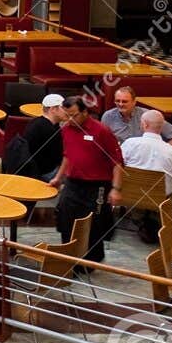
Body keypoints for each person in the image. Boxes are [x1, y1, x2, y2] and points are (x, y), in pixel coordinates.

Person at [51, 95, 124, 265]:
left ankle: (91, 260)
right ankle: (68, 256)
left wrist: (116, 189)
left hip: (97, 185)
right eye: (66, 115)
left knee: (93, 223)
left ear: (85, 112)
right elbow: (67, 156)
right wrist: (58, 177)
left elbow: (117, 162)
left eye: (73, 115)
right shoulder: (66, 129)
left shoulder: (102, 131)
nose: (69, 119)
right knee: (64, 217)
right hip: (73, 182)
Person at [120, 108, 172, 241]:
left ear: (144, 124)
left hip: (132, 197)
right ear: (162, 127)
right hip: (160, 201)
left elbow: (118, 168)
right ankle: (155, 222)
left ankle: (140, 218)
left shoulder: (129, 144)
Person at [3, 93, 66, 180]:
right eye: (64, 108)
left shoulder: (35, 121)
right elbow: (60, 157)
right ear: (53, 109)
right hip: (42, 173)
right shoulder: (49, 130)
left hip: (30, 168)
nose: (67, 111)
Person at [102, 86, 172, 145]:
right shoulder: (108, 116)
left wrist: (164, 153)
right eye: (117, 101)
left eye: (124, 101)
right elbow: (102, 141)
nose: (120, 104)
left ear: (134, 102)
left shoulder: (148, 116)